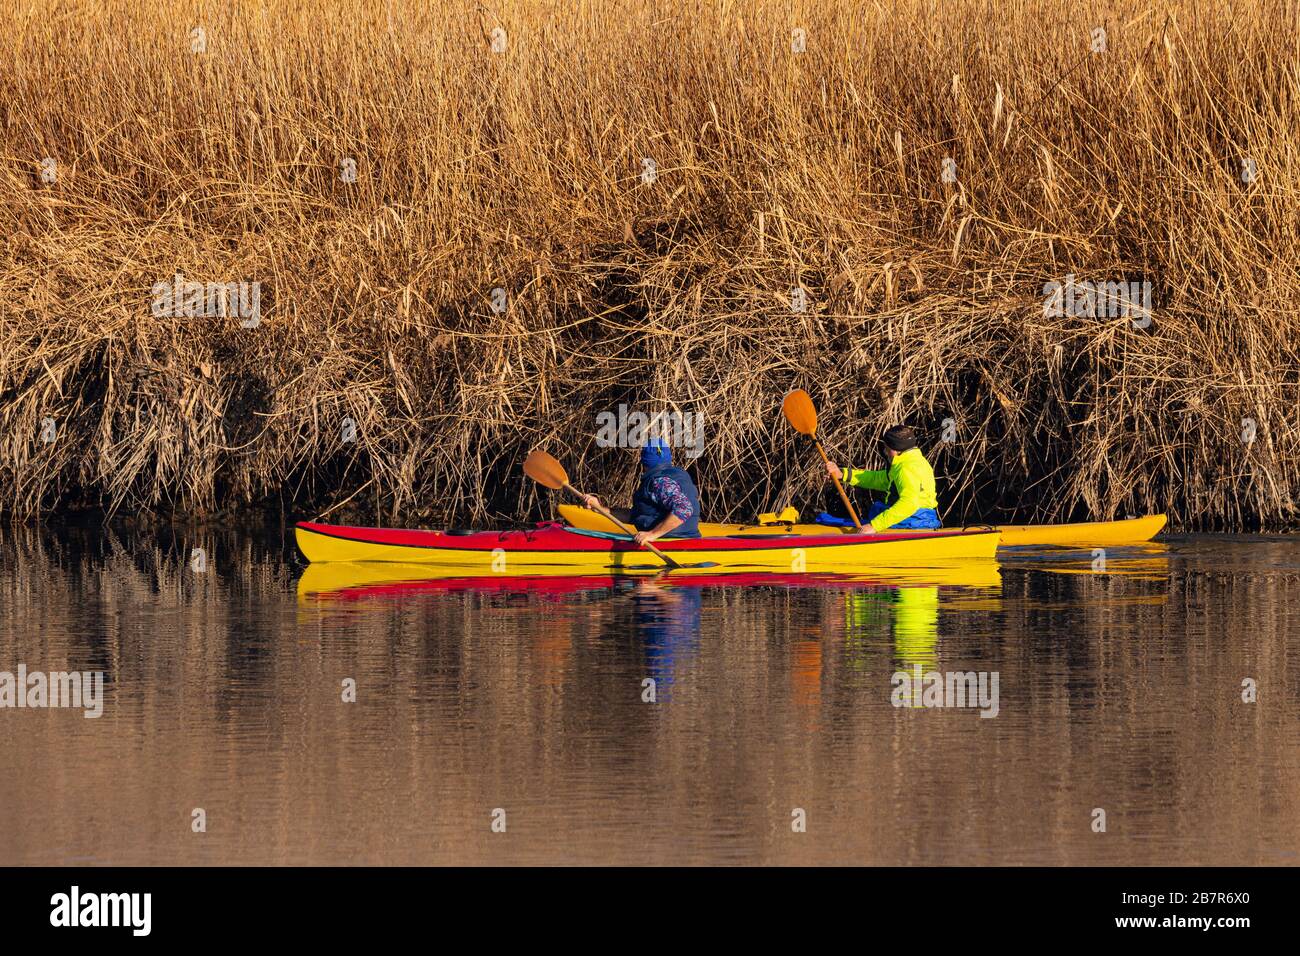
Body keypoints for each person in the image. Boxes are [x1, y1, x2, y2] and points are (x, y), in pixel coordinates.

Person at [582, 439, 701, 545]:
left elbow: (684, 508)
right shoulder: (670, 476)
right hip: (682, 538)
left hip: (673, 541)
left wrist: (652, 534)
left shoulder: (660, 482)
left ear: (644, 463)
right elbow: (635, 516)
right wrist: (599, 509)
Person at [825, 425, 941, 532]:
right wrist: (843, 474)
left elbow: (909, 503)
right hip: (917, 519)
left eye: (887, 448)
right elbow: (878, 479)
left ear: (895, 449)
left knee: (826, 519)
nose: (885, 452)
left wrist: (874, 526)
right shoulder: (912, 461)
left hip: (914, 521)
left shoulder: (906, 468)